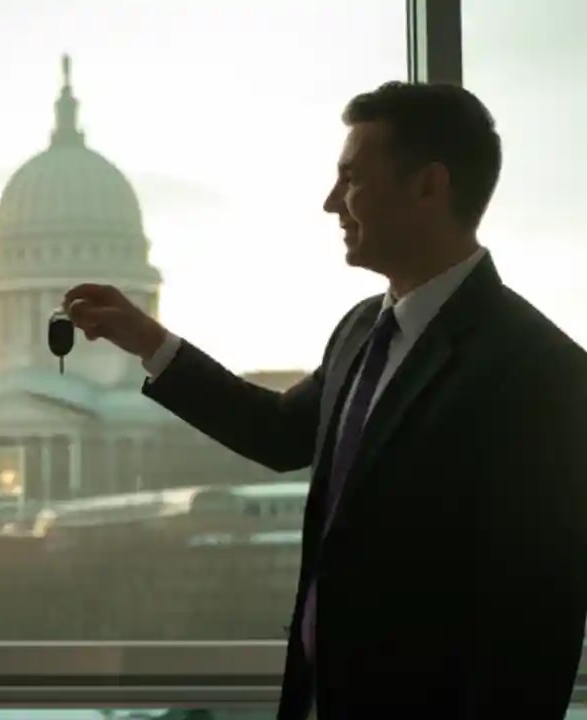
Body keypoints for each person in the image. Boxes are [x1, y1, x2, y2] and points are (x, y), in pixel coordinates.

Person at [64, 81, 587, 718]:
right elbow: (279, 434)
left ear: (429, 186)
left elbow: (535, 629)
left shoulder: (541, 374)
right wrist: (149, 341)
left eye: (351, 178)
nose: (330, 202)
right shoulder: (362, 329)